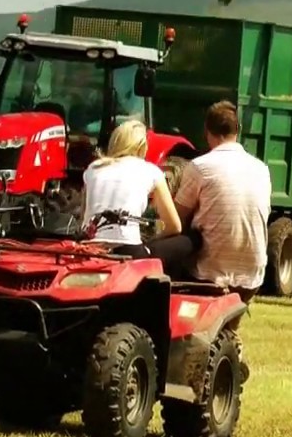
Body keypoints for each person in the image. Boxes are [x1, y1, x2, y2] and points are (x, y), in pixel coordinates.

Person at [172, 100, 272, 303]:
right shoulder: (261, 168)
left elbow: (176, 217)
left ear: (207, 131)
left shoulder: (200, 167)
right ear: (238, 130)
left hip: (209, 272)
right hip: (252, 274)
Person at [80, 119, 198, 265]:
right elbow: (174, 226)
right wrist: (149, 240)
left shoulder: (93, 168)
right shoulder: (151, 171)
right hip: (128, 251)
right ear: (142, 146)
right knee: (190, 240)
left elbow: (84, 216)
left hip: (90, 248)